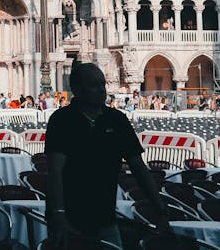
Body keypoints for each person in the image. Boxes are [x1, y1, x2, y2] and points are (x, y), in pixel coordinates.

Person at [46, 61, 170, 249]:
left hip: (104, 216)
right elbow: (55, 171)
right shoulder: (62, 120)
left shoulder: (117, 120)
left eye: (102, 84)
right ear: (77, 89)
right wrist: (59, 214)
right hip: (69, 218)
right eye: (94, 85)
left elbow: (138, 167)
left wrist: (159, 210)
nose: (101, 90)